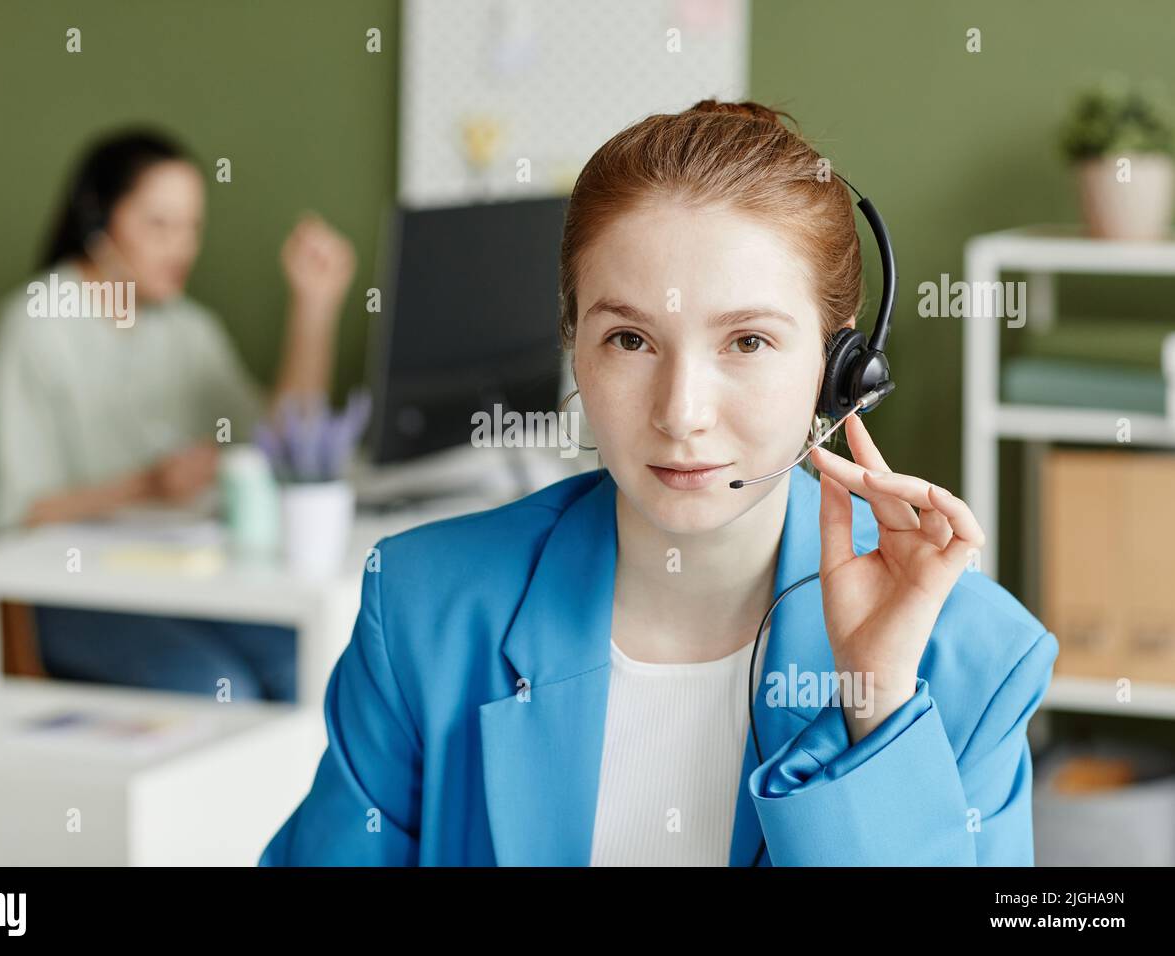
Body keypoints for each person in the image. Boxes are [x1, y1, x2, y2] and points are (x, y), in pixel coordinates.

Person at [259, 100, 1059, 865]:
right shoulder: (422, 612)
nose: (681, 414)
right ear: (573, 347)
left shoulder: (971, 657)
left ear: (840, 370)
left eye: (747, 340)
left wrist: (875, 706)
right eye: (631, 339)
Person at [0, 128, 357, 702]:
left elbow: (284, 440)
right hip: (67, 595)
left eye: (192, 227)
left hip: (178, 580)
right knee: (225, 690)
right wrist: (144, 486)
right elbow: (11, 519)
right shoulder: (32, 329)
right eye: (160, 225)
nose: (183, 249)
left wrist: (314, 308)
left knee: (308, 664)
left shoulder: (187, 328)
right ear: (98, 224)